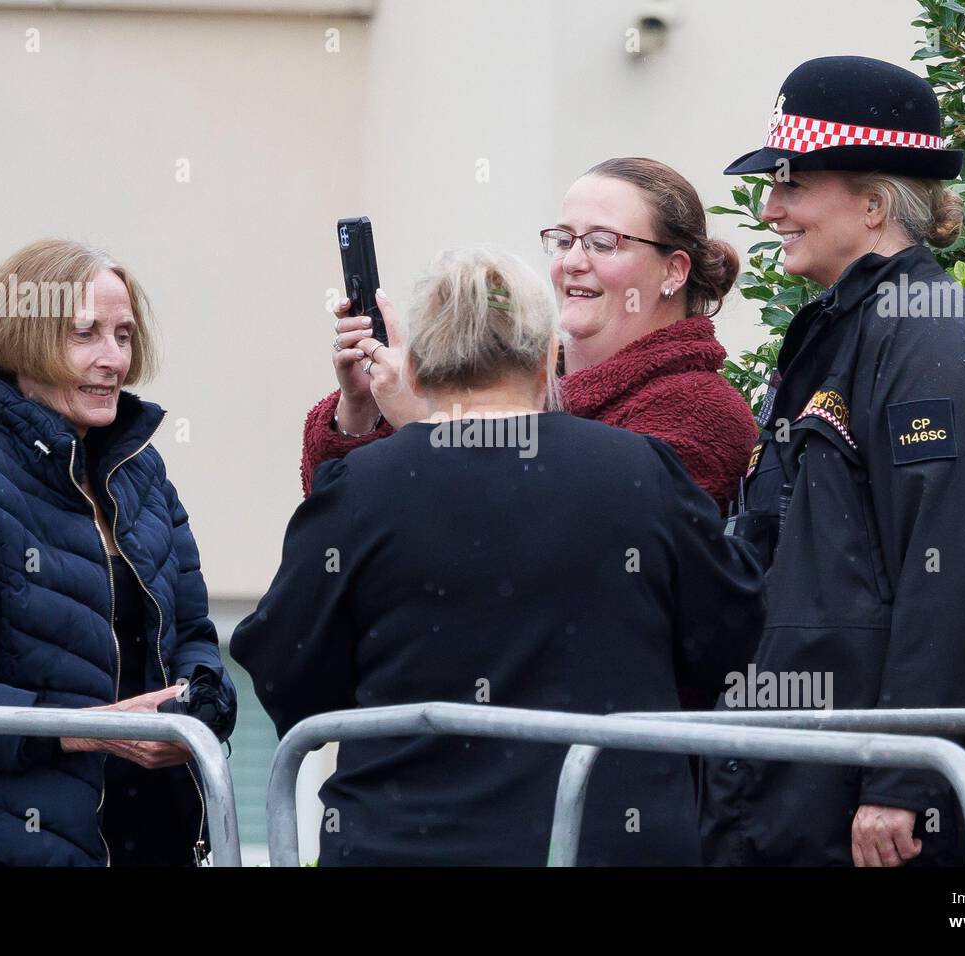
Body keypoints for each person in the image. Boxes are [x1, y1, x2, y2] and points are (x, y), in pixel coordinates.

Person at [232, 248, 765, 865]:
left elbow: (284, 664)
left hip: (405, 840)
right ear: (546, 361)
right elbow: (728, 636)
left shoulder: (363, 487)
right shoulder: (639, 471)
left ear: (420, 371)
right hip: (608, 838)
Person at [700, 56, 965, 867]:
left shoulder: (928, 336)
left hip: (884, 808)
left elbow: (953, 572)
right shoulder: (851, 325)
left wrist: (904, 775)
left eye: (792, 183)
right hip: (816, 783)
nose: (770, 207)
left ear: (872, 200)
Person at [0, 239, 237, 866]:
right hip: (13, 852)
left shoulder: (140, 473)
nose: (113, 360)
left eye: (123, 335)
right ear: (21, 340)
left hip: (158, 841)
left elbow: (197, 637)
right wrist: (88, 727)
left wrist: (201, 704)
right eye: (85, 335)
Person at [301, 157, 755, 511]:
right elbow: (340, 515)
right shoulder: (501, 371)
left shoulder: (703, 414)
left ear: (673, 270)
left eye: (602, 242)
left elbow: (579, 547)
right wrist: (360, 410)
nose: (572, 262)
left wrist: (428, 428)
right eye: (564, 239)